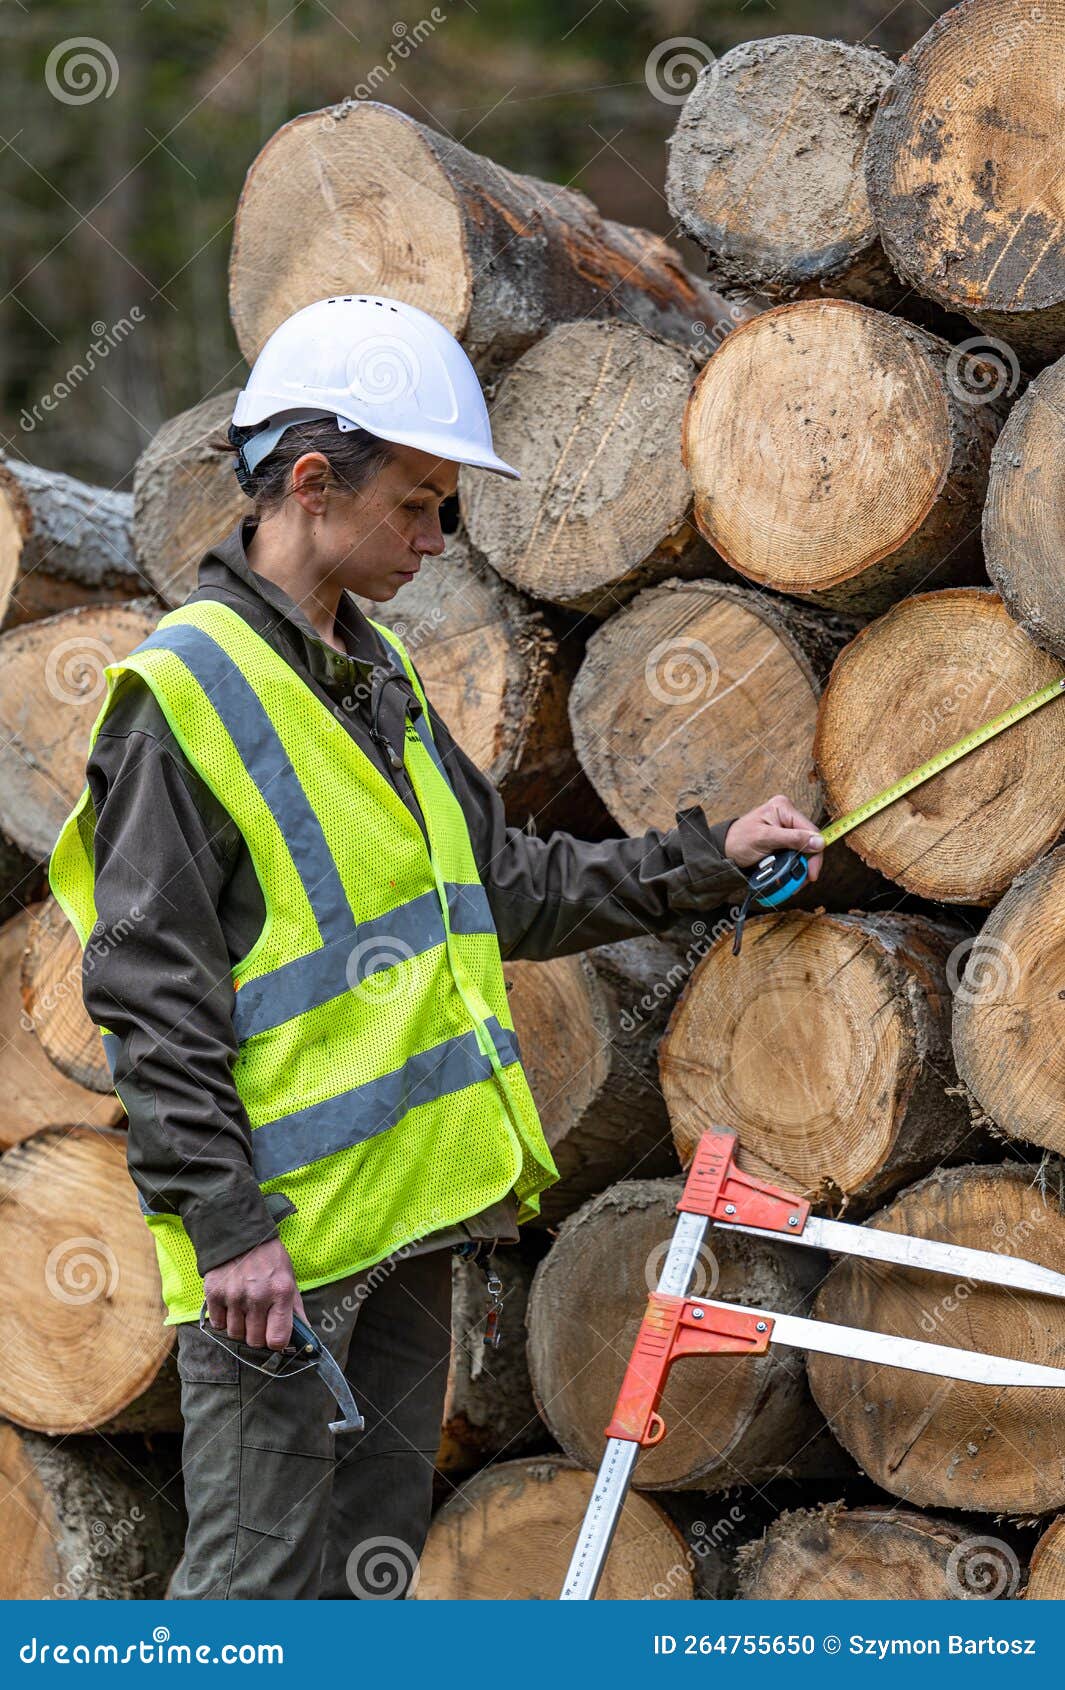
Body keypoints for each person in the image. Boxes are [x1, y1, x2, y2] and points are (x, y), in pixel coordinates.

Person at [48, 295, 824, 1601]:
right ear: (309, 482)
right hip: (276, 1252)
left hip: (403, 1223)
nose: (434, 536)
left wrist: (710, 857)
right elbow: (146, 985)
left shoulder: (379, 672)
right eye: (416, 504)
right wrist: (228, 1226)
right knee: (250, 1591)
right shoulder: (186, 691)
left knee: (364, 1578)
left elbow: (503, 887)